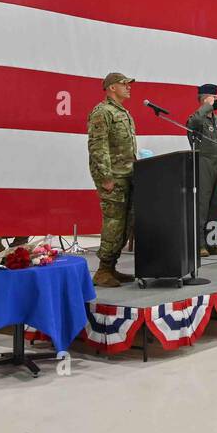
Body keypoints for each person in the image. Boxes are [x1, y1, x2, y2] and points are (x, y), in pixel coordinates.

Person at [87, 72, 138, 288]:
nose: (129, 87)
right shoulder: (102, 112)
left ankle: (111, 267)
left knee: (126, 223)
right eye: (124, 84)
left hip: (127, 175)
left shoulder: (123, 112)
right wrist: (105, 177)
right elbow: (98, 147)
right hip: (113, 178)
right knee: (114, 223)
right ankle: (103, 270)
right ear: (111, 88)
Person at [187, 83, 217, 259]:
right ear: (204, 99)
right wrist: (205, 107)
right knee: (202, 207)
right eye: (213, 98)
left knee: (215, 207)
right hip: (202, 163)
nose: (216, 101)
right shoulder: (196, 118)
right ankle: (200, 244)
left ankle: (213, 243)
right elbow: (193, 123)